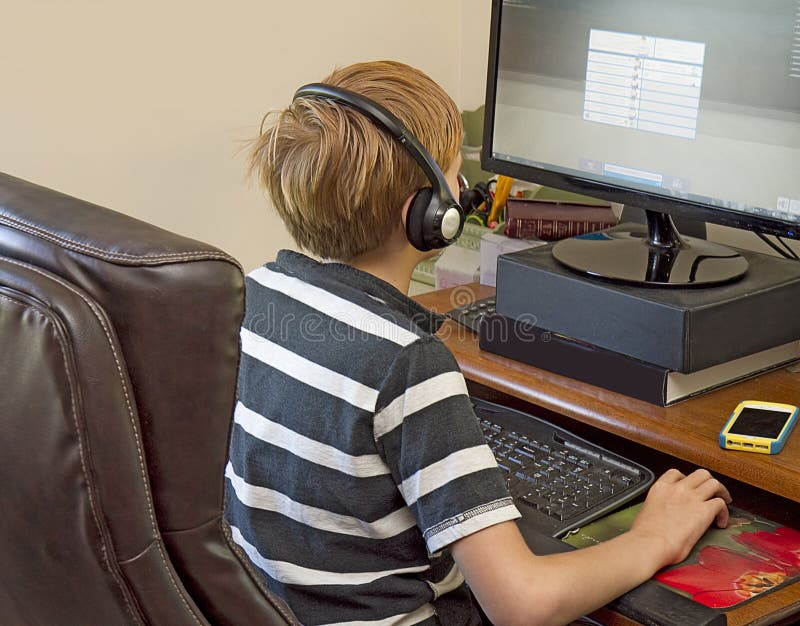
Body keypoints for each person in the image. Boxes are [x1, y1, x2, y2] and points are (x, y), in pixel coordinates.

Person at [224, 60, 731, 626]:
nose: (462, 189)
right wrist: (655, 537)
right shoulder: (406, 365)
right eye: (451, 171)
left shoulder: (253, 295)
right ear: (427, 214)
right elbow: (522, 603)